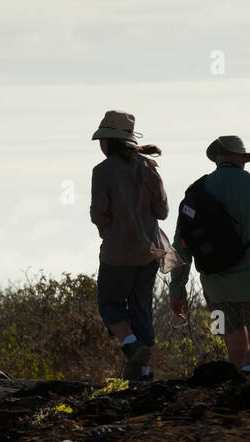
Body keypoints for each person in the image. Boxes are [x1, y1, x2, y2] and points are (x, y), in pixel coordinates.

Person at [169, 135, 250, 372]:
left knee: (233, 350)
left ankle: (234, 394)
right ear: (241, 158)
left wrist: (177, 290)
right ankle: (247, 391)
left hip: (214, 290)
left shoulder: (195, 190)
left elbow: (180, 247)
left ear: (216, 158)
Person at [89, 110, 171, 381]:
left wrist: (108, 232)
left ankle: (132, 346)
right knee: (141, 308)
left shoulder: (102, 171)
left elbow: (99, 213)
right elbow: (162, 211)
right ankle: (144, 373)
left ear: (108, 141)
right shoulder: (148, 166)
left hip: (117, 253)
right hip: (149, 252)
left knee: (110, 304)